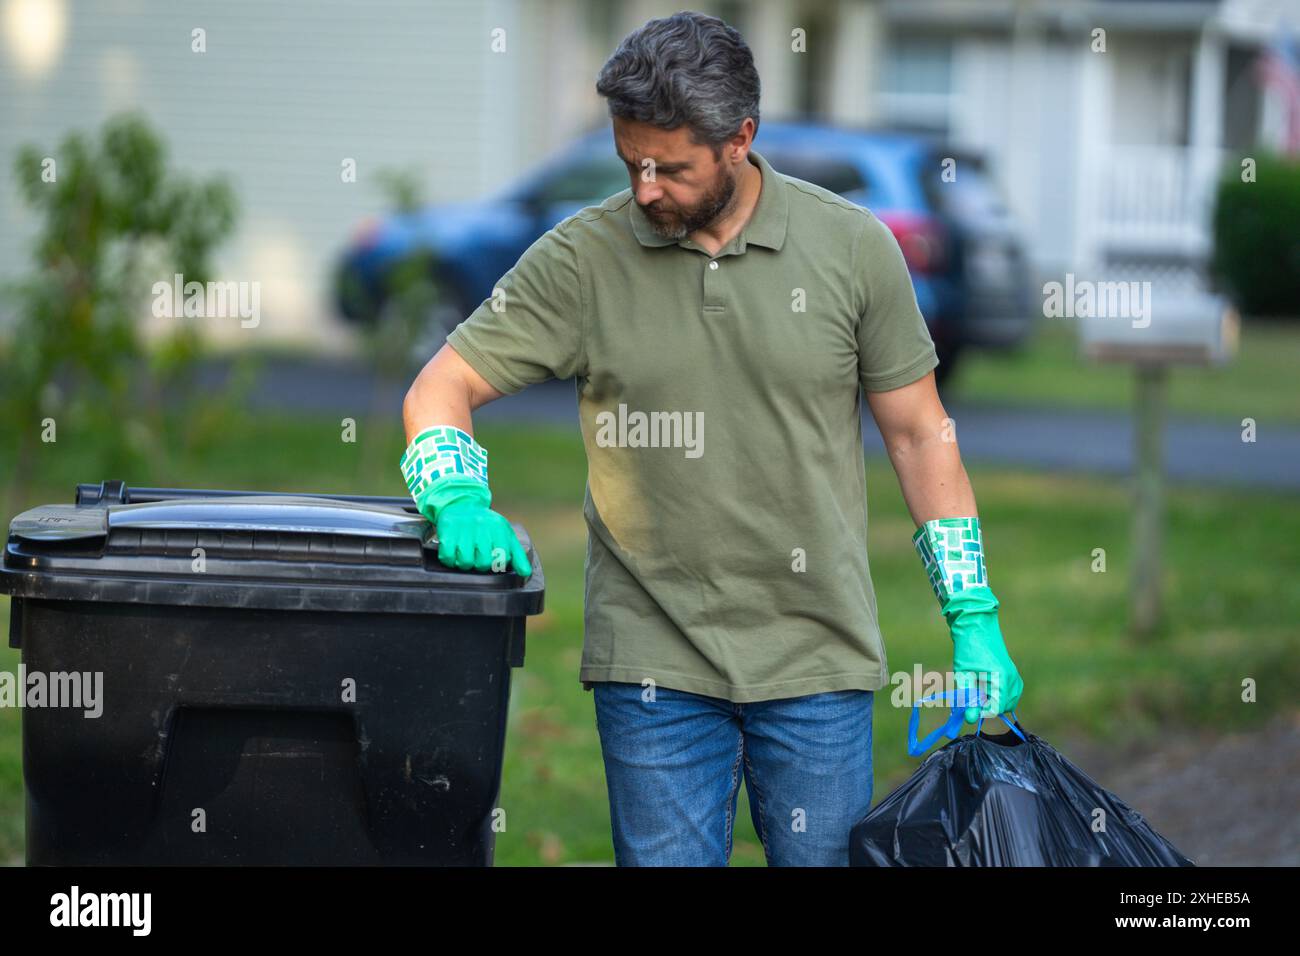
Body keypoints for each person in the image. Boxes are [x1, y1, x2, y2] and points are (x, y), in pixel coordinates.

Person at [399, 10, 1023, 866]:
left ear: (741, 140)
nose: (645, 189)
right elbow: (442, 384)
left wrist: (972, 613)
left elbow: (919, 434)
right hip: (653, 667)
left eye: (670, 168)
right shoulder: (584, 259)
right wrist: (455, 490)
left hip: (818, 658)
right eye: (630, 164)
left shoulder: (852, 249)